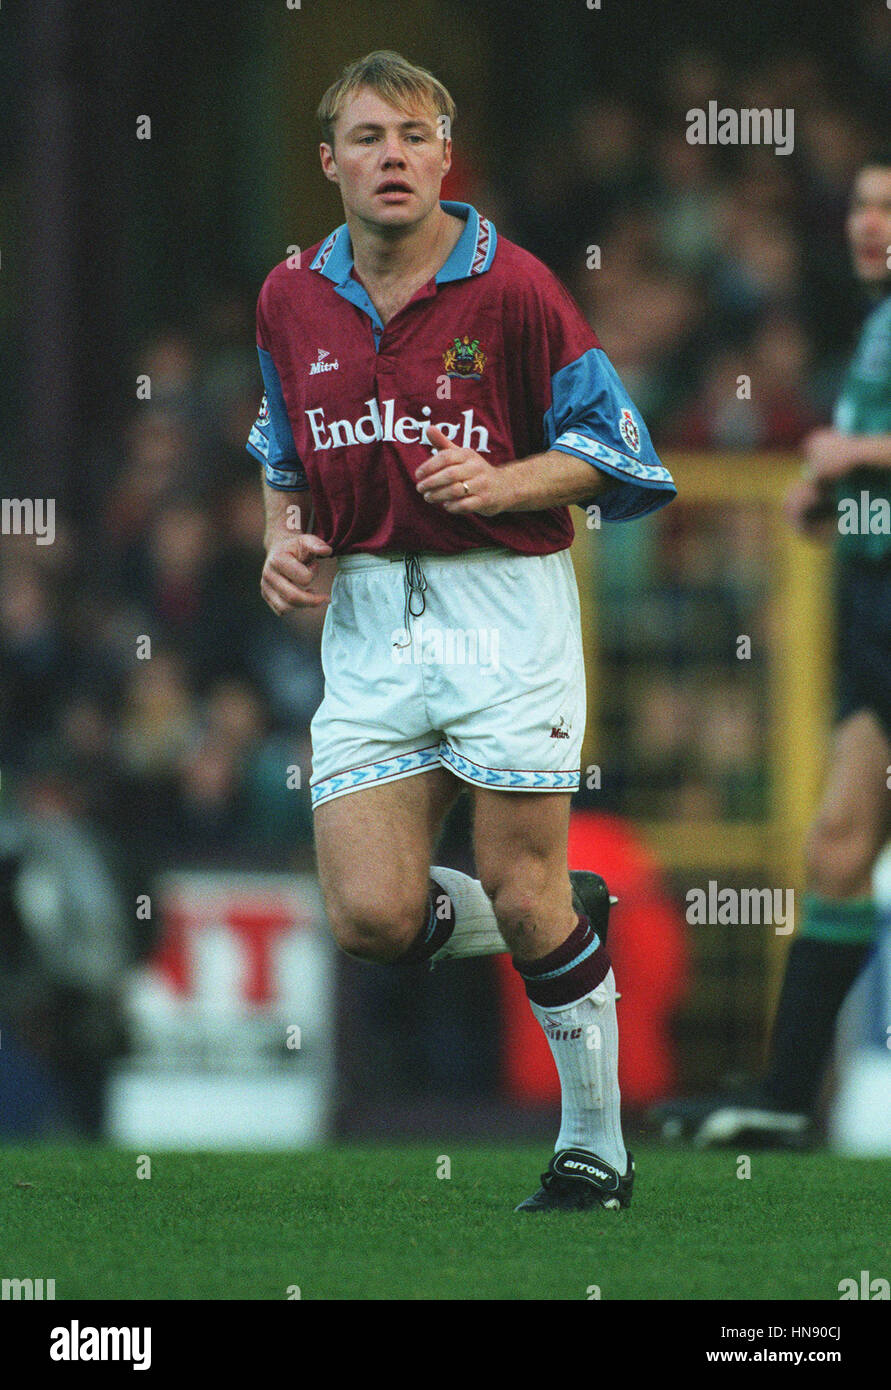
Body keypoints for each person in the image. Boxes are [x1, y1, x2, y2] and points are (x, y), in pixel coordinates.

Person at [248, 51, 676, 1209]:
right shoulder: (289, 297)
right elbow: (283, 459)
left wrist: (511, 481)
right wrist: (285, 539)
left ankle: (595, 1147)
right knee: (373, 917)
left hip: (503, 602)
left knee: (521, 884)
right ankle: (559, 917)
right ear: (328, 159)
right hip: (372, 618)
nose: (394, 155)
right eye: (371, 136)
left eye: (416, 135)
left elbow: (624, 456)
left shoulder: (520, 288)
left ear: (447, 154)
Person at [652, 155, 891, 1149]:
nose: (871, 222)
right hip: (875, 605)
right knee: (838, 845)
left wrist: (854, 459)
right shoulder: (879, 322)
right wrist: (831, 491)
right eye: (865, 203)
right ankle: (788, 1094)